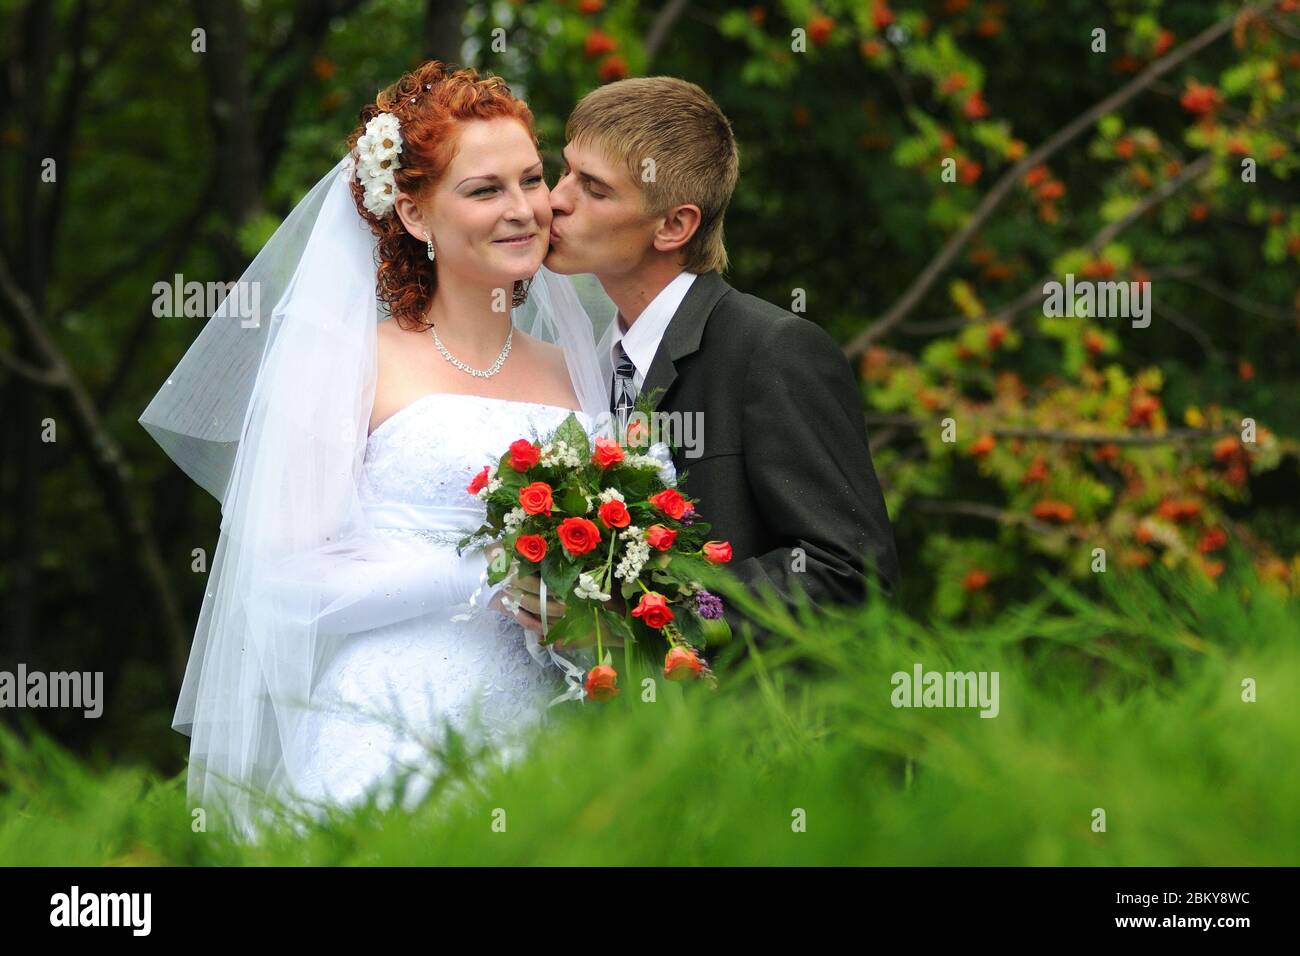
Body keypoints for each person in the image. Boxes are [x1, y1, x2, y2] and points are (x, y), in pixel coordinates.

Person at [139, 61, 612, 841]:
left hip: (559, 738)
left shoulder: (578, 370)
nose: (525, 209)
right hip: (393, 729)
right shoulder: (349, 365)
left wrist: (584, 611)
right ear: (416, 215)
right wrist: (496, 566)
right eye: (485, 189)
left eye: (532, 179)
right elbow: (280, 587)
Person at [505, 76, 900, 649]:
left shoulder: (773, 350)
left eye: (594, 188)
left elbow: (848, 573)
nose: (556, 199)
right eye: (565, 171)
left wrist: (646, 612)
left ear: (673, 226)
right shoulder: (589, 365)